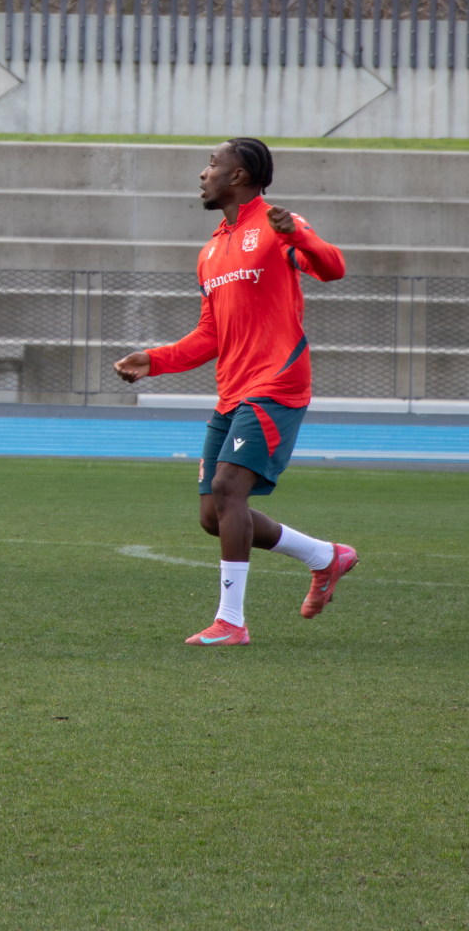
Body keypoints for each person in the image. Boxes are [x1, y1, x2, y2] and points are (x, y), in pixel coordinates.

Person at [113, 138, 358, 645]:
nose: (203, 174)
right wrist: (154, 360)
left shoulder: (275, 223)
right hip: (233, 392)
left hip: (277, 383)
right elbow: (210, 335)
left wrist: (301, 238)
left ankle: (232, 622)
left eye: (211, 164)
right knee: (213, 515)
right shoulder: (210, 250)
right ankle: (325, 557)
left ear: (240, 175)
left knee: (228, 491)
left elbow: (334, 267)